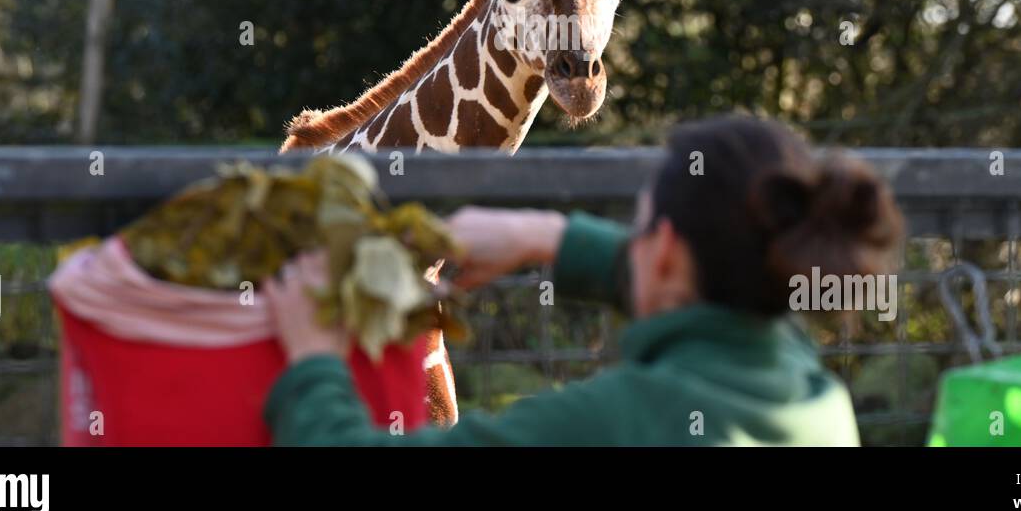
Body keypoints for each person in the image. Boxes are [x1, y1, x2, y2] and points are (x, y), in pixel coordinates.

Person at [262, 115, 904, 446]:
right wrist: (548, 237)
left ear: (666, 254)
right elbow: (689, 285)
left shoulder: (615, 422)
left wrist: (314, 362)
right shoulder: (810, 388)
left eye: (640, 226)